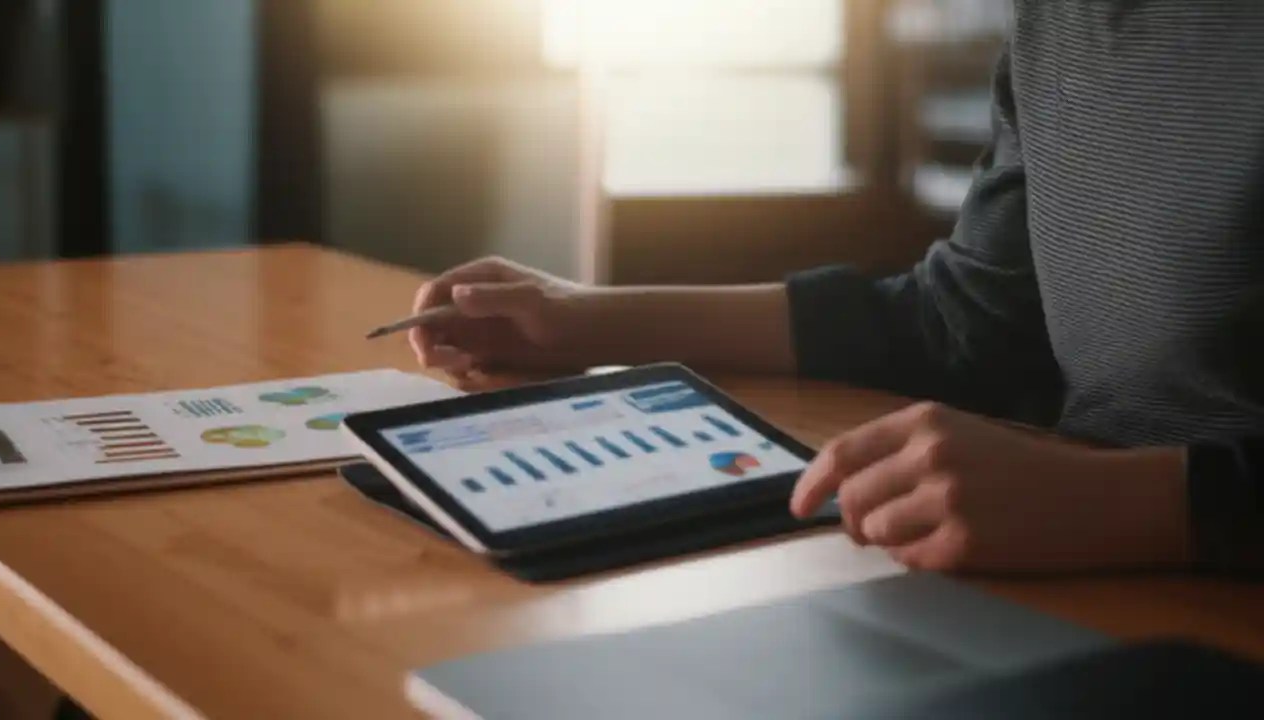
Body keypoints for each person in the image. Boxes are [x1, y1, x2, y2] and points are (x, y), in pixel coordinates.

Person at [409, 2, 1264, 574]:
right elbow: (966, 320)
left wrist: (1125, 504)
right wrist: (590, 321)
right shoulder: (1062, 21)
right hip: (1081, 588)